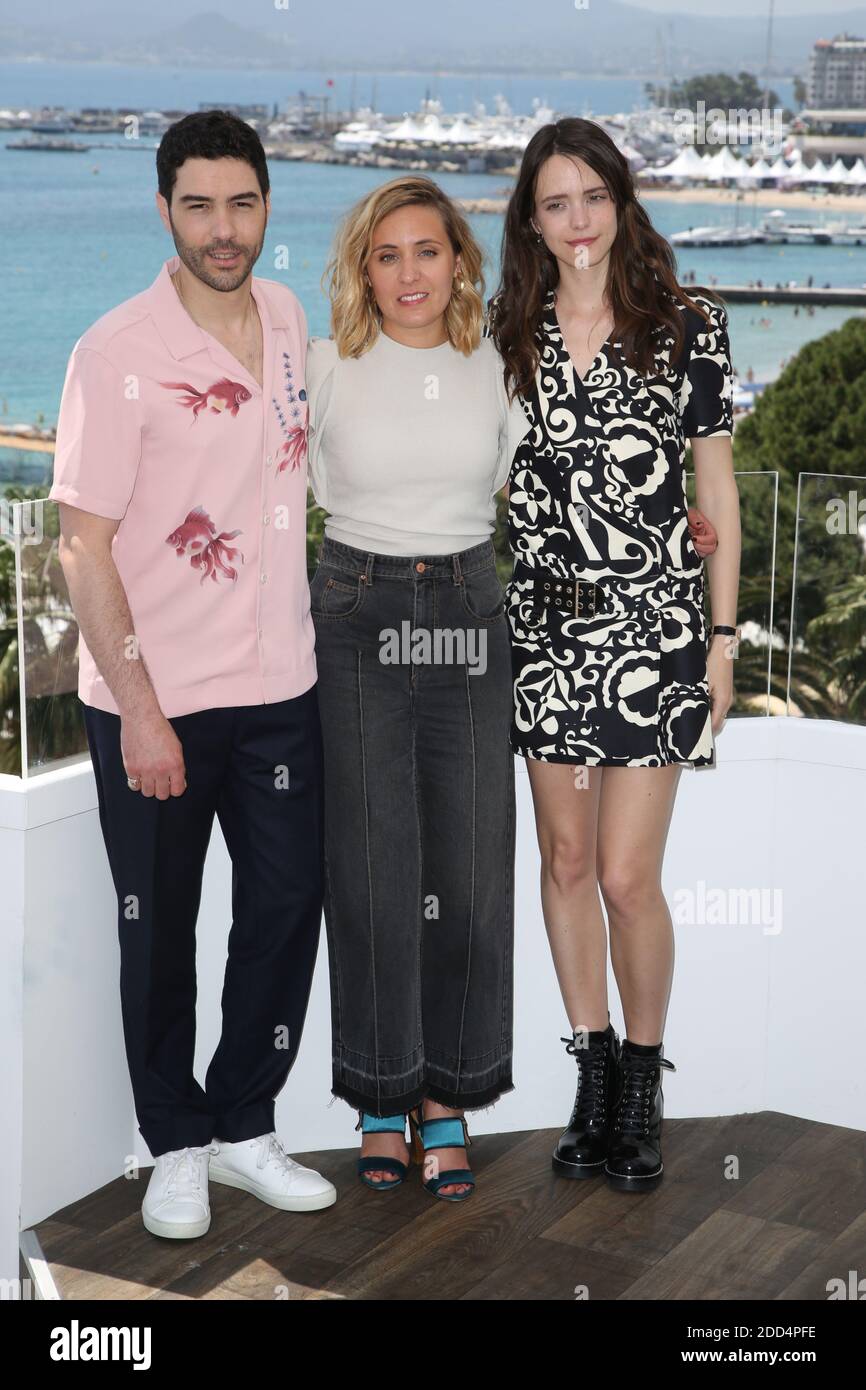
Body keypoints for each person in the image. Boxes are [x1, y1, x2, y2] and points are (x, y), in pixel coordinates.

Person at [48, 110, 336, 1239]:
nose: (226, 229)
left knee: (282, 912)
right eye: (201, 205)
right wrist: (144, 714)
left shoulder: (284, 315)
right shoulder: (113, 353)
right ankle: (171, 1142)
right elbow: (81, 545)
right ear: (163, 210)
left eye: (244, 202)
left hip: (281, 687)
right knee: (158, 928)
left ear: (268, 205)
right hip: (156, 704)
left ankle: (242, 1121)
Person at [486, 118, 741, 1192]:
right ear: (531, 221)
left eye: (591, 196)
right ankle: (590, 1075)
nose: (576, 219)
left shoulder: (687, 327)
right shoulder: (506, 332)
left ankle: (641, 1082)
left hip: (655, 633)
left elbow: (716, 491)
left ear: (620, 202)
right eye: (555, 202)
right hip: (543, 631)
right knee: (564, 864)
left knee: (629, 877)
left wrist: (722, 641)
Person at [303, 176, 532, 1201]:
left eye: (426, 252)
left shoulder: (495, 368)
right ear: (363, 268)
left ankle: (448, 1095)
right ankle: (383, 1095)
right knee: (371, 864)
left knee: (473, 868)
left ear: (458, 262)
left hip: (471, 614)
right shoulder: (323, 369)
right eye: (386, 255)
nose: (408, 273)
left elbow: (534, 487)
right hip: (355, 610)